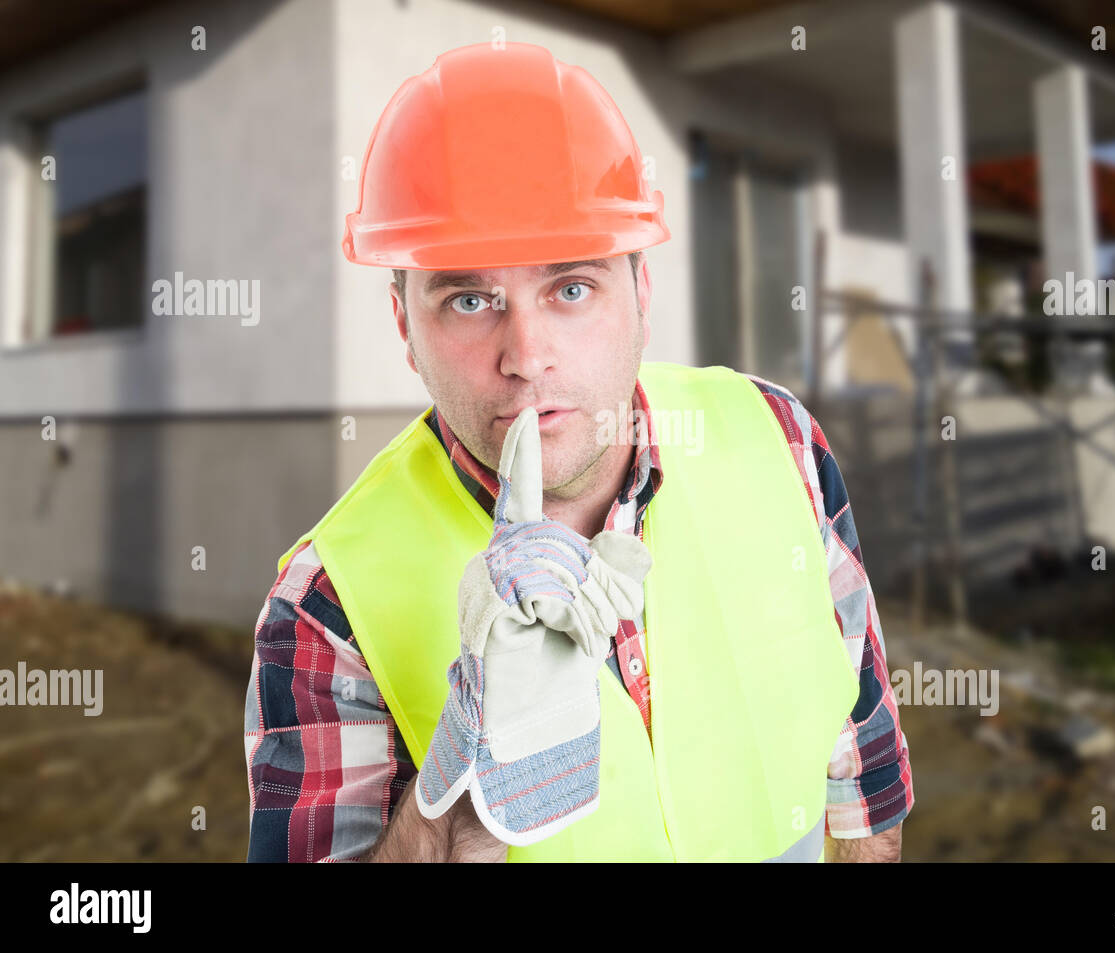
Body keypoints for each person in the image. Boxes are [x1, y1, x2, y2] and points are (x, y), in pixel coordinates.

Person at [243, 40, 912, 862]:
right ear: (404, 328)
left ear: (641, 291)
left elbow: (861, 760)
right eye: (469, 298)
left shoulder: (773, 437)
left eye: (570, 288)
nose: (526, 353)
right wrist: (450, 818)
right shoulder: (328, 603)